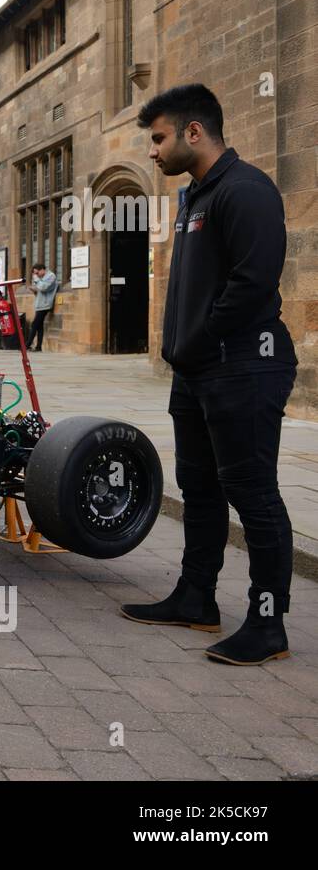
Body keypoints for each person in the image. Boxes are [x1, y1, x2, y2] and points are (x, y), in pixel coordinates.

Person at [123, 84, 298, 666]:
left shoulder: (246, 191)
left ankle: (268, 625)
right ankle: (196, 596)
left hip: (244, 367)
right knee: (198, 489)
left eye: (158, 138)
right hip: (198, 372)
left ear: (193, 132)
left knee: (253, 495)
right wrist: (185, 350)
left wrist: (199, 339)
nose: (153, 151)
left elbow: (252, 285)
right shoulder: (194, 196)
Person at [26, 262, 58, 352]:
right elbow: (39, 289)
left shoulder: (51, 276)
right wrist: (34, 289)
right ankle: (38, 347)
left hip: (45, 305)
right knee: (39, 326)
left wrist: (36, 280)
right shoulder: (41, 278)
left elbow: (44, 287)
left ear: (42, 270)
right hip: (39, 304)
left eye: (37, 273)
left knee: (34, 324)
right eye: (35, 274)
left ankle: (27, 345)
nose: (36, 275)